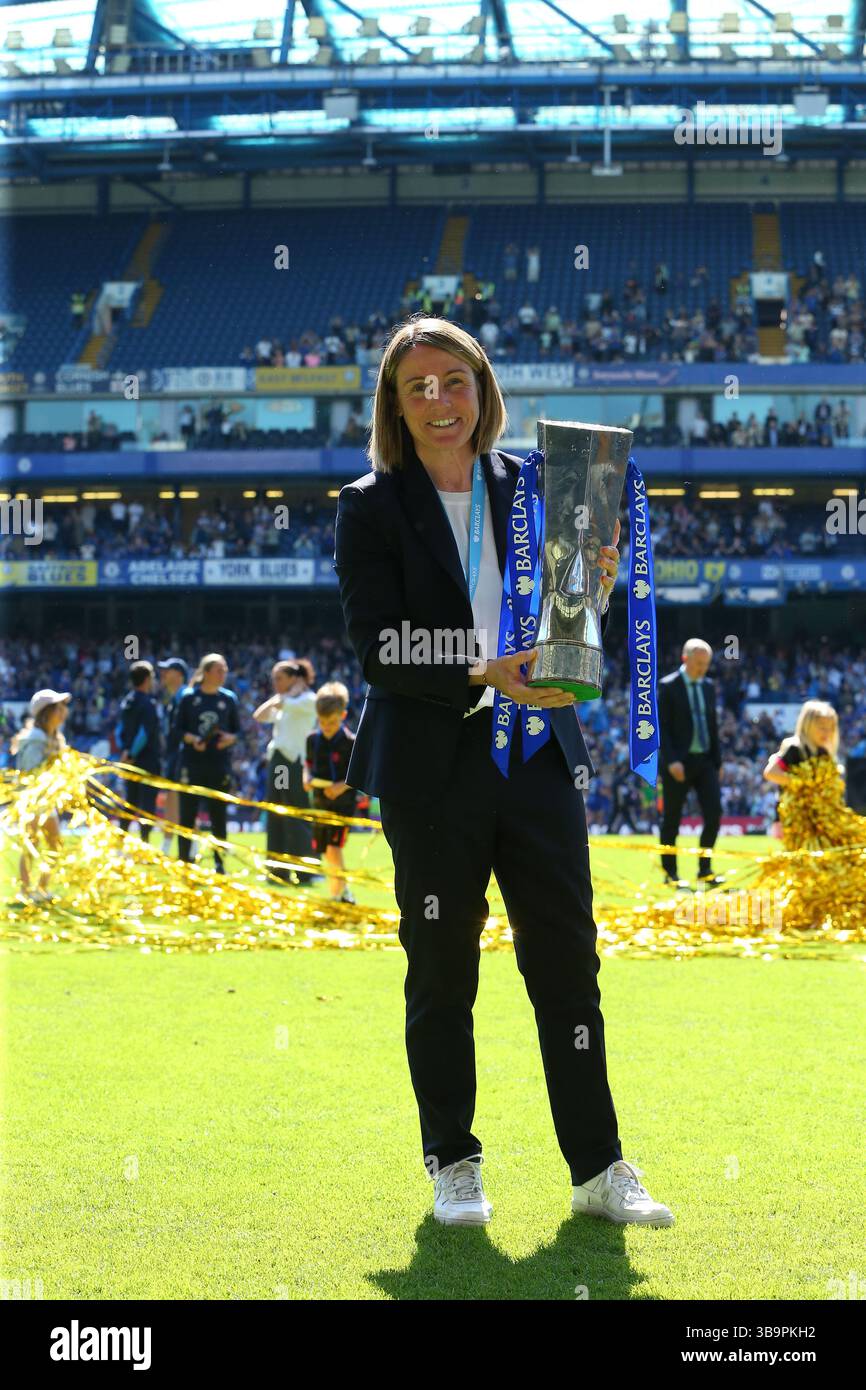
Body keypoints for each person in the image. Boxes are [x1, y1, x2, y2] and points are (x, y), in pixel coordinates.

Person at [334, 314, 673, 1230]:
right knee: (442, 971)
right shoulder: (369, 504)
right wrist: (484, 668)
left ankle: (599, 1168)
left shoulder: (543, 491)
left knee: (568, 966)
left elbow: (569, 619)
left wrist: (593, 592)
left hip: (534, 758)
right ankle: (453, 1161)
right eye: (419, 388)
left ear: (484, 390)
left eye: (455, 381)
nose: (440, 401)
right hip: (433, 769)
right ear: (395, 407)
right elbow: (378, 648)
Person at [657, 638, 723, 889]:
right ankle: (670, 872)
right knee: (672, 818)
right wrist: (672, 760)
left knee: (714, 813)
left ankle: (705, 871)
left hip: (705, 761)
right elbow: (661, 727)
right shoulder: (668, 686)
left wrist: (718, 761)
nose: (702, 669)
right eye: (698, 664)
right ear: (685, 659)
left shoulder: (708, 686)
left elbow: (713, 726)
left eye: (706, 664)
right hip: (677, 764)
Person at [252, 658, 317, 883]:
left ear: (294, 678)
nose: (275, 682)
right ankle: (277, 871)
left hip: (293, 763)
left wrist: (292, 692)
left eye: (279, 678)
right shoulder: (285, 700)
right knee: (277, 813)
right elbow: (259, 716)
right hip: (279, 763)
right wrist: (286, 693)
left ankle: (304, 871)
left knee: (296, 815)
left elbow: (282, 704)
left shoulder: (308, 699)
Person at [176, 653, 240, 875]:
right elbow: (177, 730)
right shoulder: (187, 697)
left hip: (218, 764)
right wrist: (193, 739)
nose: (224, 674)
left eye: (225, 669)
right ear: (206, 672)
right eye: (219, 670)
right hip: (192, 763)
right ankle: (184, 860)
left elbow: (237, 731)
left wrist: (229, 739)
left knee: (218, 816)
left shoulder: (229, 698)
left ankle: (220, 864)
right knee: (187, 814)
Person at [13, 689, 70, 903]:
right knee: (32, 843)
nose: (63, 711)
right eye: (58, 707)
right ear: (46, 712)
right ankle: (26, 891)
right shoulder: (35, 738)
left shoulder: (54, 737)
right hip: (33, 799)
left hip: (45, 800)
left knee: (54, 844)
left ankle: (41, 889)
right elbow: (32, 771)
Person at [303, 682, 357, 903]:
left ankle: (342, 893)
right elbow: (307, 764)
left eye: (332, 722)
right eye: (322, 722)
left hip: (342, 803)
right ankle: (338, 893)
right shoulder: (312, 740)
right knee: (325, 849)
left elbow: (358, 775)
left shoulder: (351, 742)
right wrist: (305, 778)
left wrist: (340, 786)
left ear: (343, 715)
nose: (327, 726)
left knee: (335, 847)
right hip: (319, 802)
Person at [116, 661, 162, 844]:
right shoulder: (148, 703)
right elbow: (144, 733)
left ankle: (120, 842)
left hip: (129, 760)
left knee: (130, 802)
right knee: (147, 803)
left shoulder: (126, 702)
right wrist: (133, 753)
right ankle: (145, 843)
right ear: (146, 679)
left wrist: (125, 752)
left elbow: (120, 730)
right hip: (146, 759)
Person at [157, 656, 191, 855]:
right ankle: (190, 844)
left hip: (180, 756)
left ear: (178, 674)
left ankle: (168, 845)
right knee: (181, 801)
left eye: (167, 670)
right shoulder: (174, 698)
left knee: (174, 799)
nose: (163, 674)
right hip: (175, 755)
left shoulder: (182, 697)